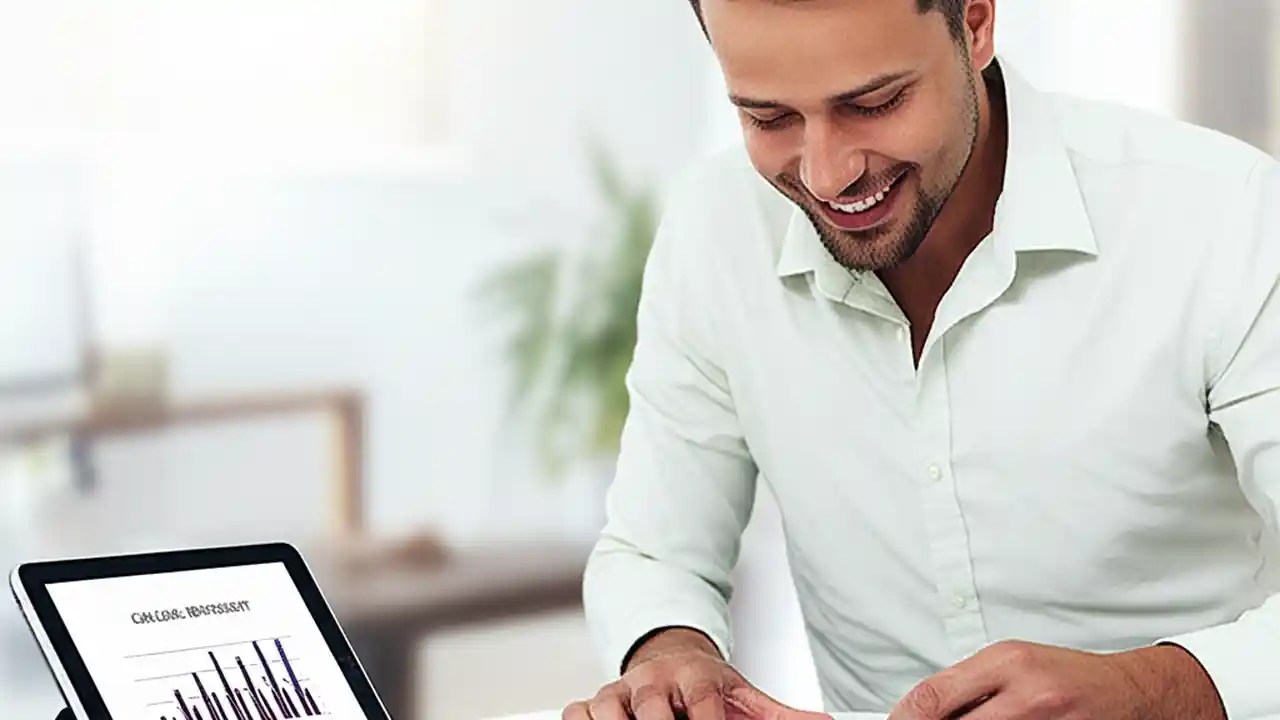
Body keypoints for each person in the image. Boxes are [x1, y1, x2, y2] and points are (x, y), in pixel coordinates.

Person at [563, 0, 1280, 718]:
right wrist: (670, 657)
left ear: (975, 24)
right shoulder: (715, 228)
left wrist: (1155, 690)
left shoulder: (1222, 217)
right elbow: (656, 552)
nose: (827, 174)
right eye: (769, 118)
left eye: (875, 103)